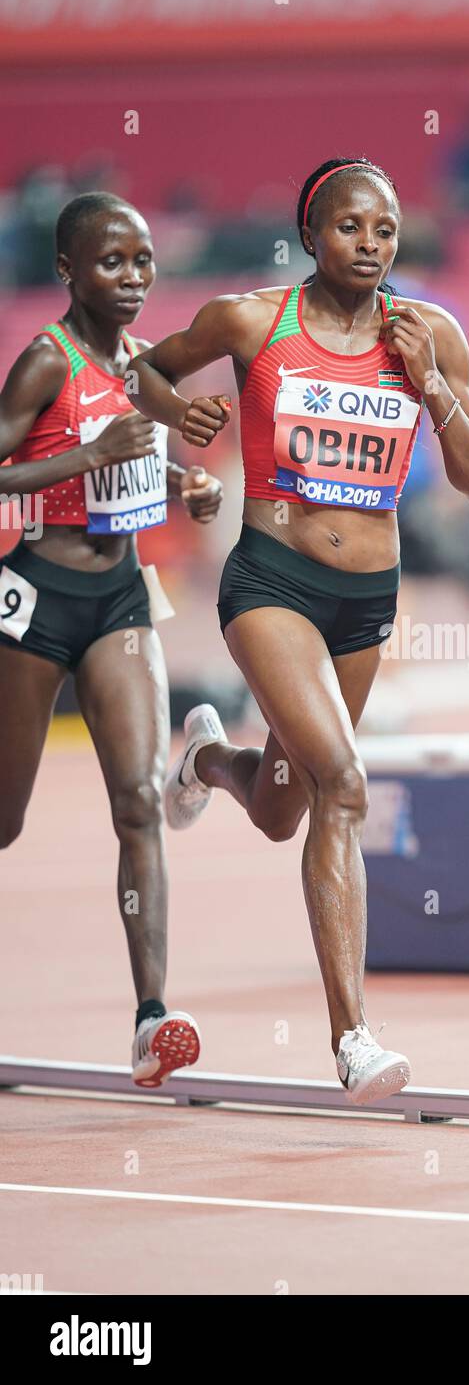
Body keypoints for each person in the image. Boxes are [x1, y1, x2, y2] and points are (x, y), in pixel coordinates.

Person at [129, 157, 469, 1104]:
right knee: (344, 782)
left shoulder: (430, 335)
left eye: (384, 231)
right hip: (271, 583)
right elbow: (136, 372)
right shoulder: (251, 321)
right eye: (349, 228)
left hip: (365, 604)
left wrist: (434, 388)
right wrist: (184, 412)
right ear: (311, 234)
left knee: (281, 808)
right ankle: (354, 1041)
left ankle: (210, 762)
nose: (370, 246)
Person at [0, 192, 223, 1087]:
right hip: (38, 593)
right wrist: (87, 459)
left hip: (122, 598)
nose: (132, 281)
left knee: (136, 800)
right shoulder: (43, 363)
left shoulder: (137, 364)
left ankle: (150, 1018)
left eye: (143, 263)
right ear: (66, 272)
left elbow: (131, 448)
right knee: (5, 821)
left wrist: (183, 485)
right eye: (110, 264)